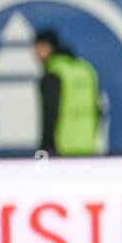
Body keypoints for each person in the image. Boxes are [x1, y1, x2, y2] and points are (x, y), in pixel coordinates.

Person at [32, 27, 101, 157]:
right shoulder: (85, 70)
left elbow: (50, 114)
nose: (35, 55)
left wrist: (43, 150)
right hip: (88, 146)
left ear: (46, 47)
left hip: (61, 148)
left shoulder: (54, 74)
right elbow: (98, 110)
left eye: (37, 49)